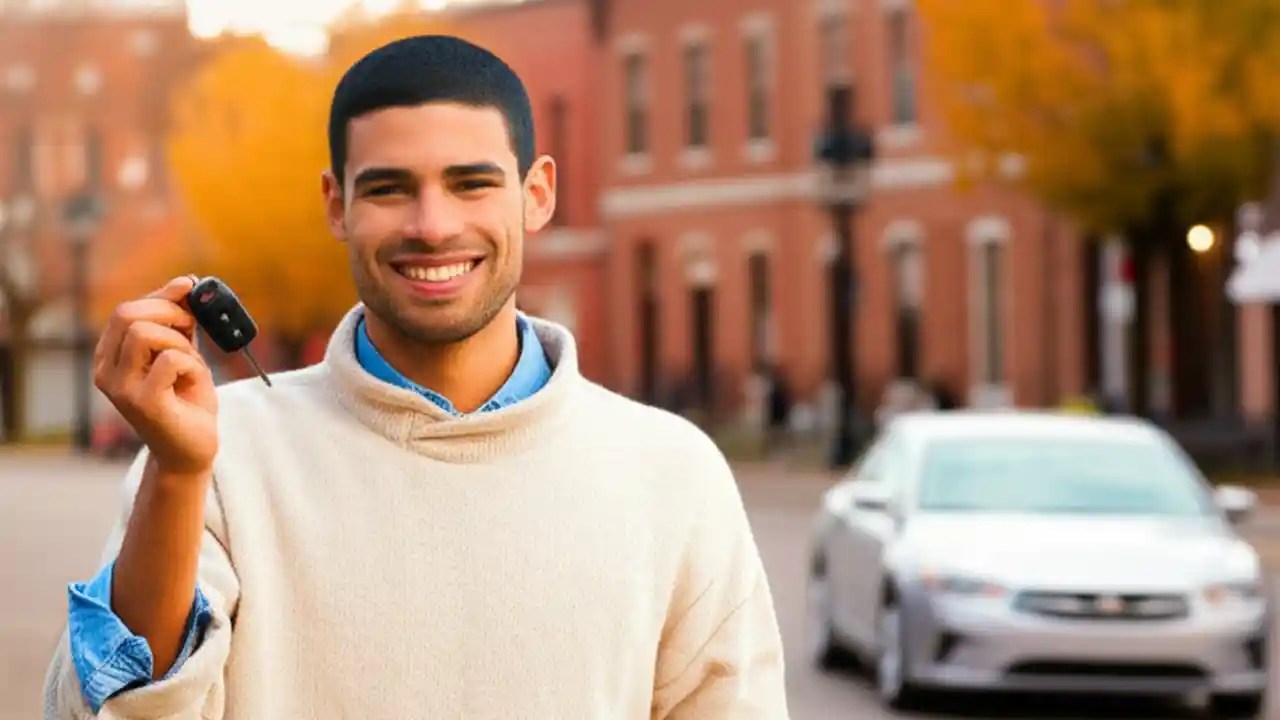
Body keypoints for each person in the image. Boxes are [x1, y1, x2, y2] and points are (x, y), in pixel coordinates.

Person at [43, 36, 789, 719]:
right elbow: (108, 712)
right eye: (391, 188)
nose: (431, 224)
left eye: (470, 184)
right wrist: (177, 475)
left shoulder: (672, 473)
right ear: (337, 205)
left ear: (537, 194)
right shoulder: (214, 452)